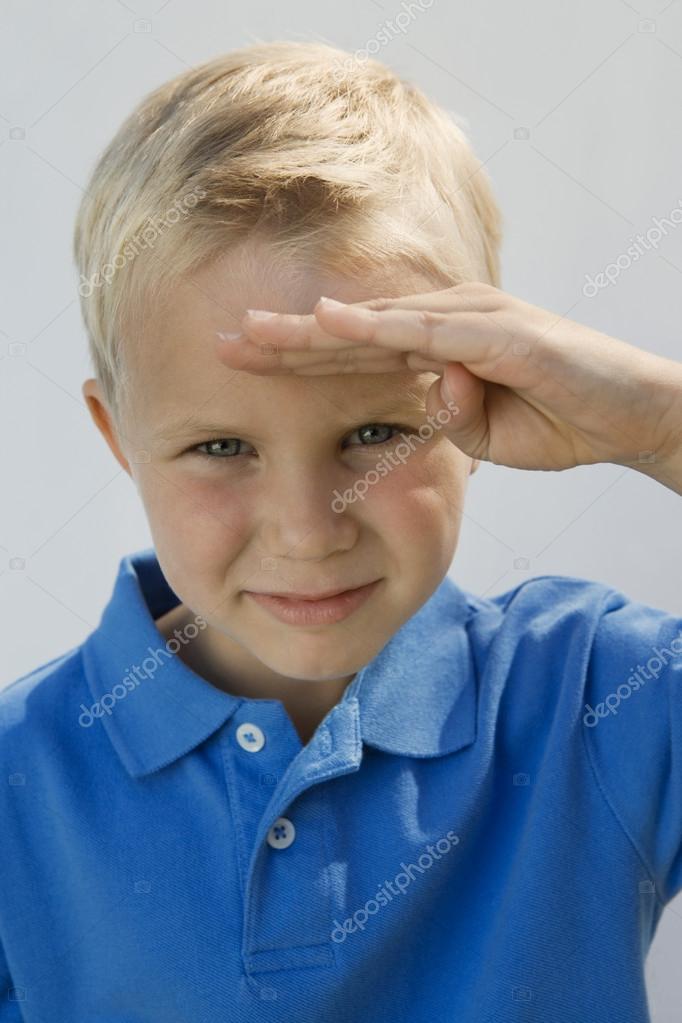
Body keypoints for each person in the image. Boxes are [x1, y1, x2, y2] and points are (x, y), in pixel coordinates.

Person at [1, 39, 681, 1023]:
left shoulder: (596, 702)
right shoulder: (23, 787)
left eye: (375, 433)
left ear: (481, 402)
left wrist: (658, 422)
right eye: (222, 446)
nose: (306, 530)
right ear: (119, 435)